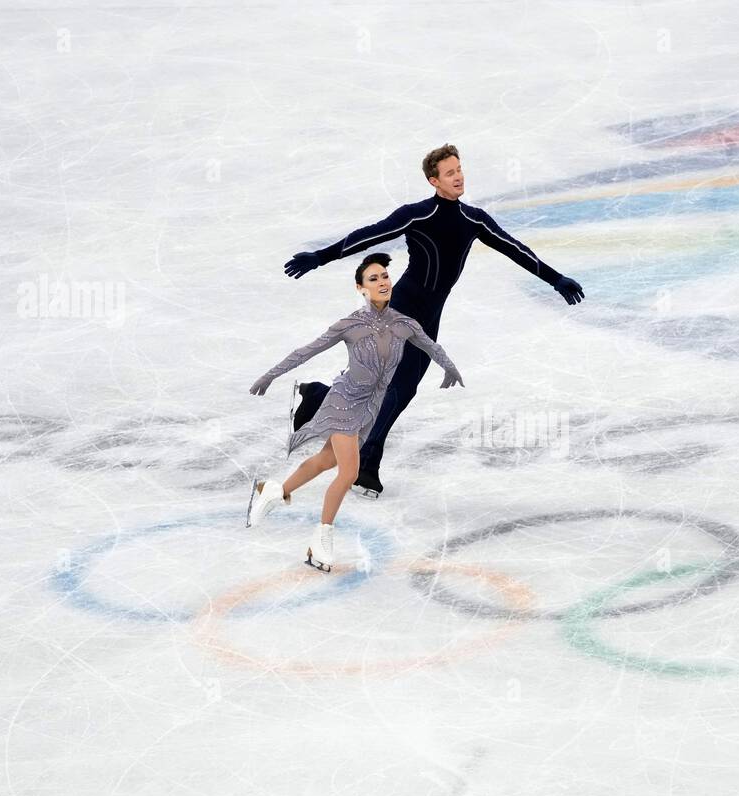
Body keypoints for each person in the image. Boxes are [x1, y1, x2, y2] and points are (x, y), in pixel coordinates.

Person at [282, 143, 583, 497]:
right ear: (434, 181)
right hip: (402, 308)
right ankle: (367, 462)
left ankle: (317, 397)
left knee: (394, 387)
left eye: (460, 169)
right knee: (397, 387)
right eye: (450, 173)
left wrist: (555, 279)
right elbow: (369, 234)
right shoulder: (418, 214)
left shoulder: (475, 219)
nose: (458, 177)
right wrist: (320, 256)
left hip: (430, 314)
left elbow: (513, 247)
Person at [246, 252, 463, 572]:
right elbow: (306, 350)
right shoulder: (352, 324)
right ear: (361, 288)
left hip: (368, 409)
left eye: (385, 276)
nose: (383, 282)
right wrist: (270, 375)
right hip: (344, 401)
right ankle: (320, 542)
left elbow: (432, 346)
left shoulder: (403, 324)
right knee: (348, 473)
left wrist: (450, 369)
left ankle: (273, 491)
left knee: (326, 460)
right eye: (373, 279)